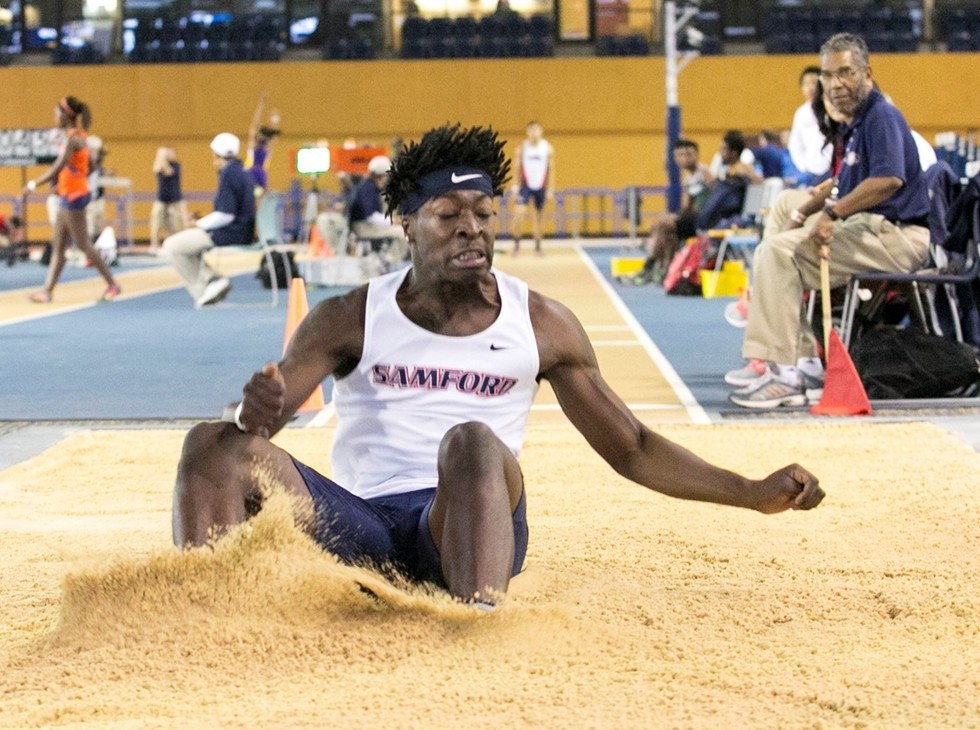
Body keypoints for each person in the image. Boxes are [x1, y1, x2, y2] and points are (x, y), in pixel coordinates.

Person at [171, 123, 825, 609]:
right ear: (405, 223)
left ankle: (480, 628)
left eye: (483, 214)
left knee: (473, 443)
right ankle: (206, 617)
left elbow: (633, 447)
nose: (471, 229)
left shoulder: (539, 322)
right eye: (448, 215)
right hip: (362, 528)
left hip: (467, 516)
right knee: (211, 445)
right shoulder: (351, 316)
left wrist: (749, 491)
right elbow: (257, 436)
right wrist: (245, 416)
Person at [727, 33, 931, 409]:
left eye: (846, 73)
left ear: (867, 73)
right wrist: (813, 207)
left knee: (776, 254)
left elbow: (889, 180)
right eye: (827, 75)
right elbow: (848, 183)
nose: (835, 84)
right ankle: (801, 362)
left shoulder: (881, 116)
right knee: (787, 215)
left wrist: (831, 214)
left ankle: (786, 372)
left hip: (897, 238)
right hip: (871, 229)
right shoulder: (857, 124)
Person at [23, 96, 121, 304]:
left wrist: (33, 184)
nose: (54, 116)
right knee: (58, 245)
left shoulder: (73, 139)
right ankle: (47, 291)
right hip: (69, 195)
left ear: (65, 115)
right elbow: (92, 166)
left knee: (83, 244)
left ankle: (112, 284)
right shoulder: (78, 137)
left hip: (74, 198)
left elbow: (57, 167)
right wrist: (73, 178)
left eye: (56, 112)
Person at [161, 132, 255, 308]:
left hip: (231, 232)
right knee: (187, 247)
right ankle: (212, 280)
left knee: (171, 247)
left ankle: (203, 289)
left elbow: (226, 214)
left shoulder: (228, 173)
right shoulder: (243, 171)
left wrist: (198, 224)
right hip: (242, 230)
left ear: (217, 154)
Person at [632, 139, 713, 284]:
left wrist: (674, 219)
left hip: (704, 220)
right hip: (691, 220)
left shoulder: (705, 173)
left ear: (697, 155)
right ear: (675, 158)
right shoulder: (688, 178)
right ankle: (666, 268)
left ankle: (650, 266)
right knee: (663, 230)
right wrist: (674, 217)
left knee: (664, 226)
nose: (685, 159)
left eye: (689, 154)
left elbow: (711, 202)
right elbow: (686, 207)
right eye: (681, 155)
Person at [510, 120, 555, 256]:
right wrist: (515, 185)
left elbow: (551, 169)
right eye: (531, 130)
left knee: (538, 218)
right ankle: (517, 246)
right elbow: (517, 168)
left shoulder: (547, 148)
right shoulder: (522, 148)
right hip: (525, 186)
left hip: (541, 187)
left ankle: (538, 248)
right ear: (527, 132)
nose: (534, 133)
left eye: (537, 130)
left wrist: (550, 188)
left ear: (541, 131)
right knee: (518, 214)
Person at [786, 65, 832, 187]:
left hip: (832, 169)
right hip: (811, 173)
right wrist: (804, 167)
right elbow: (795, 145)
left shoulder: (832, 108)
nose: (810, 87)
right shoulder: (801, 114)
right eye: (806, 84)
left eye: (814, 82)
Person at [347, 154, 406, 246]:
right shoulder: (368, 189)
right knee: (403, 233)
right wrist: (393, 221)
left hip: (365, 225)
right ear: (381, 176)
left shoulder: (370, 187)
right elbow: (371, 217)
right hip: (362, 227)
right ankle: (389, 259)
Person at [149, 146, 189, 253]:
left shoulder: (176, 166)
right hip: (161, 199)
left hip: (175, 199)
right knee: (156, 222)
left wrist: (163, 159)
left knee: (178, 223)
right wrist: (160, 157)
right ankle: (154, 245)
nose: (170, 155)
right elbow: (156, 169)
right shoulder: (158, 165)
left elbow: (168, 172)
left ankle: (179, 245)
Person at [246, 93, 281, 199]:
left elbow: (274, 136)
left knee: (259, 197)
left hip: (260, 177)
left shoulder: (267, 149)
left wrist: (276, 122)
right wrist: (261, 105)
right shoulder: (252, 146)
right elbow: (254, 125)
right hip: (250, 174)